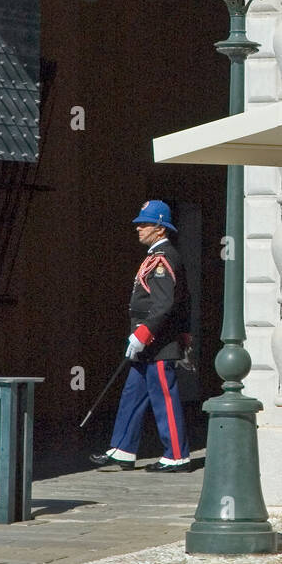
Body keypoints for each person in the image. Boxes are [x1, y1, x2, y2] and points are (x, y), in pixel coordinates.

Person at [90, 200, 192, 473]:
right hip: (148, 343)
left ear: (160, 229)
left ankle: (177, 455)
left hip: (159, 343)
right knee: (132, 394)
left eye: (144, 224)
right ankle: (123, 448)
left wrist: (142, 334)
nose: (138, 228)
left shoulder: (162, 259)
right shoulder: (156, 256)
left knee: (164, 399)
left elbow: (164, 304)